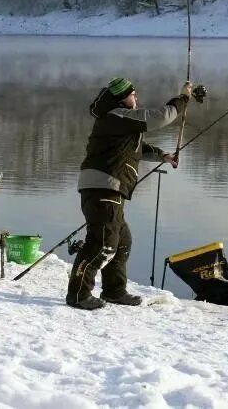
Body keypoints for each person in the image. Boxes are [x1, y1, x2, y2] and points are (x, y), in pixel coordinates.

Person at [66, 76, 192, 310]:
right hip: (103, 187)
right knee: (103, 244)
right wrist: (183, 98)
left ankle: (114, 291)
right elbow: (161, 117)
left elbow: (135, 148)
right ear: (122, 99)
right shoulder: (118, 115)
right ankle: (78, 295)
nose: (137, 98)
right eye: (133, 94)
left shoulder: (118, 121)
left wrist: (162, 156)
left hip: (107, 188)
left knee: (122, 241)